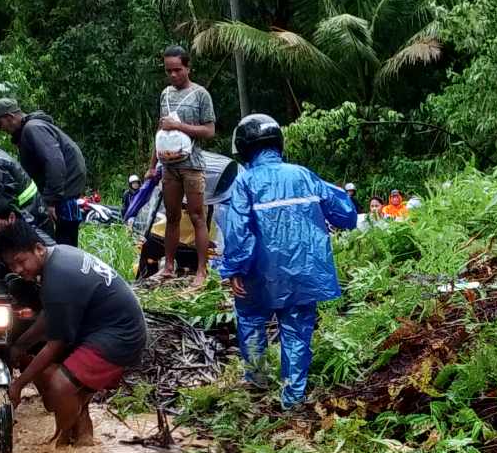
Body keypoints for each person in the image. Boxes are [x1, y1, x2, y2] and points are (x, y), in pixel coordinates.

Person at [217, 113, 357, 410]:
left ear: (244, 147)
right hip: (304, 270)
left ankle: (257, 384)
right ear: (278, 142)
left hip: (259, 271)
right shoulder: (304, 175)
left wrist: (235, 268)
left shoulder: (245, 182)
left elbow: (238, 230)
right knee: (297, 330)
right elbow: (346, 214)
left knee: (251, 320)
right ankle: (292, 398)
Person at [0, 223, 147, 448]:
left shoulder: (58, 277)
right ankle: (83, 442)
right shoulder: (58, 255)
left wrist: (17, 385)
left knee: (60, 385)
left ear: (38, 249)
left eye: (21, 261)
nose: (18, 270)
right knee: (65, 386)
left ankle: (61, 444)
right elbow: (49, 316)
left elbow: (55, 344)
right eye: (11, 265)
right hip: (104, 328)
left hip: (119, 336)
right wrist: (20, 345)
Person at [148, 46, 216, 291]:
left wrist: (179, 126)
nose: (173, 75)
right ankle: (168, 267)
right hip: (169, 166)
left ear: (188, 68)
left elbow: (209, 130)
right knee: (172, 216)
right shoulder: (165, 94)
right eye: (169, 71)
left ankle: (201, 270)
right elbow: (160, 130)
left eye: (177, 69)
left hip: (192, 166)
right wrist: (152, 165)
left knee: (197, 216)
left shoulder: (200, 95)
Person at [0, 99, 89, 247]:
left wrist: (50, 202)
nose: (0, 129)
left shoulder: (33, 129)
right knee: (65, 242)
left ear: (10, 117)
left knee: (62, 246)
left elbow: (55, 162)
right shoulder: (33, 128)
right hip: (65, 195)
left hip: (61, 197)